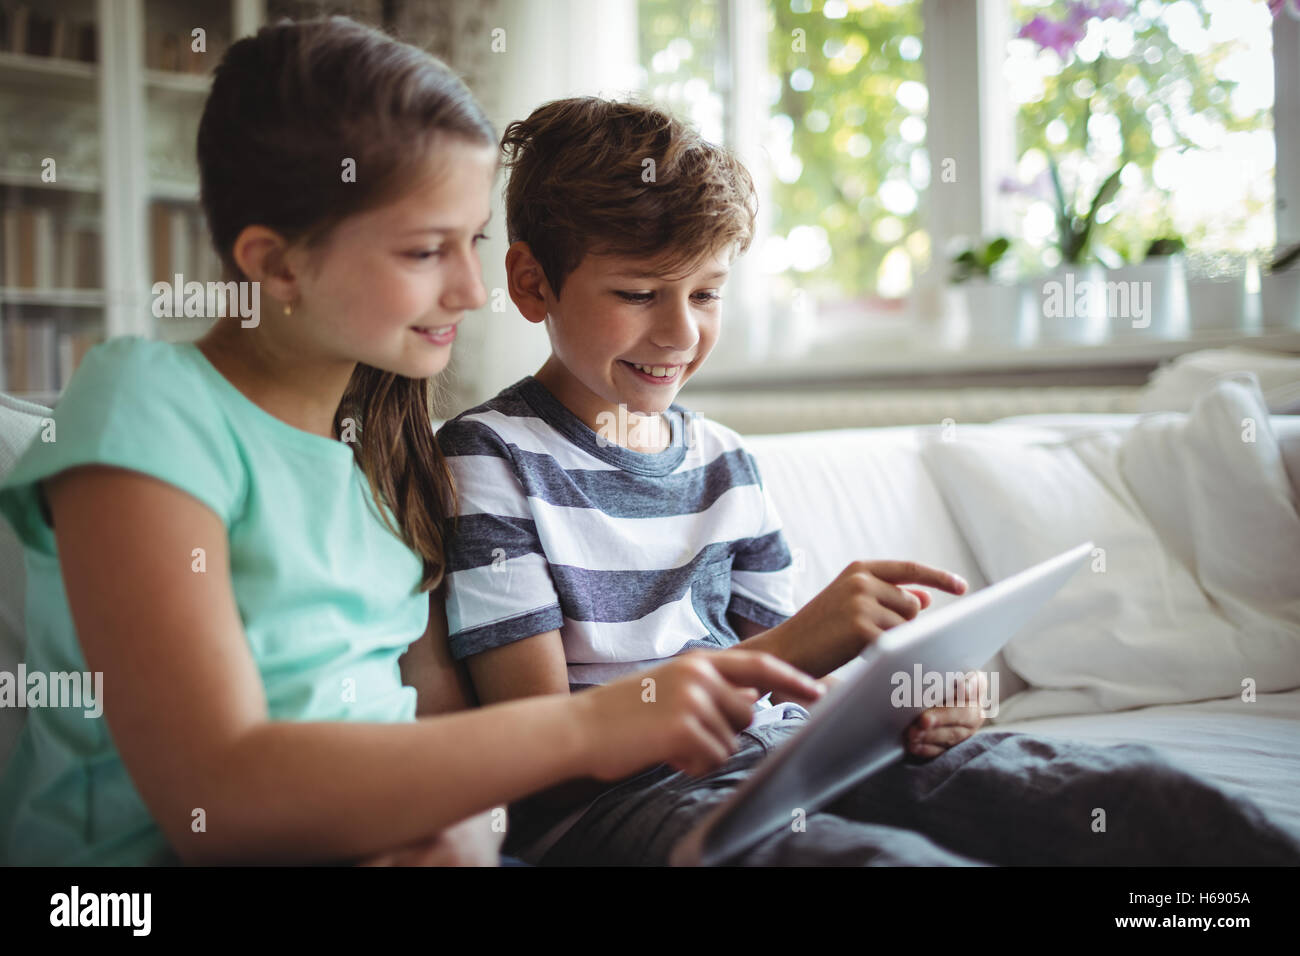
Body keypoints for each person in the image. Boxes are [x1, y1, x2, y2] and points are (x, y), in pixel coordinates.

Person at [0, 18, 822, 867]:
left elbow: (457, 758)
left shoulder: (391, 468)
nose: (472, 289)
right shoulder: (146, 405)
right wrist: (589, 725)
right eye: (427, 250)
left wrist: (460, 839)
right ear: (276, 266)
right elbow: (220, 793)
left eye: (471, 242)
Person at [434, 97, 987, 866]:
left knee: (1099, 791)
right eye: (637, 294)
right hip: (626, 808)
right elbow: (541, 760)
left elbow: (792, 691)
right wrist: (795, 647)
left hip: (788, 762)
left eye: (706, 293)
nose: (681, 334)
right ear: (532, 284)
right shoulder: (490, 459)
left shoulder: (728, 462)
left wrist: (907, 702)